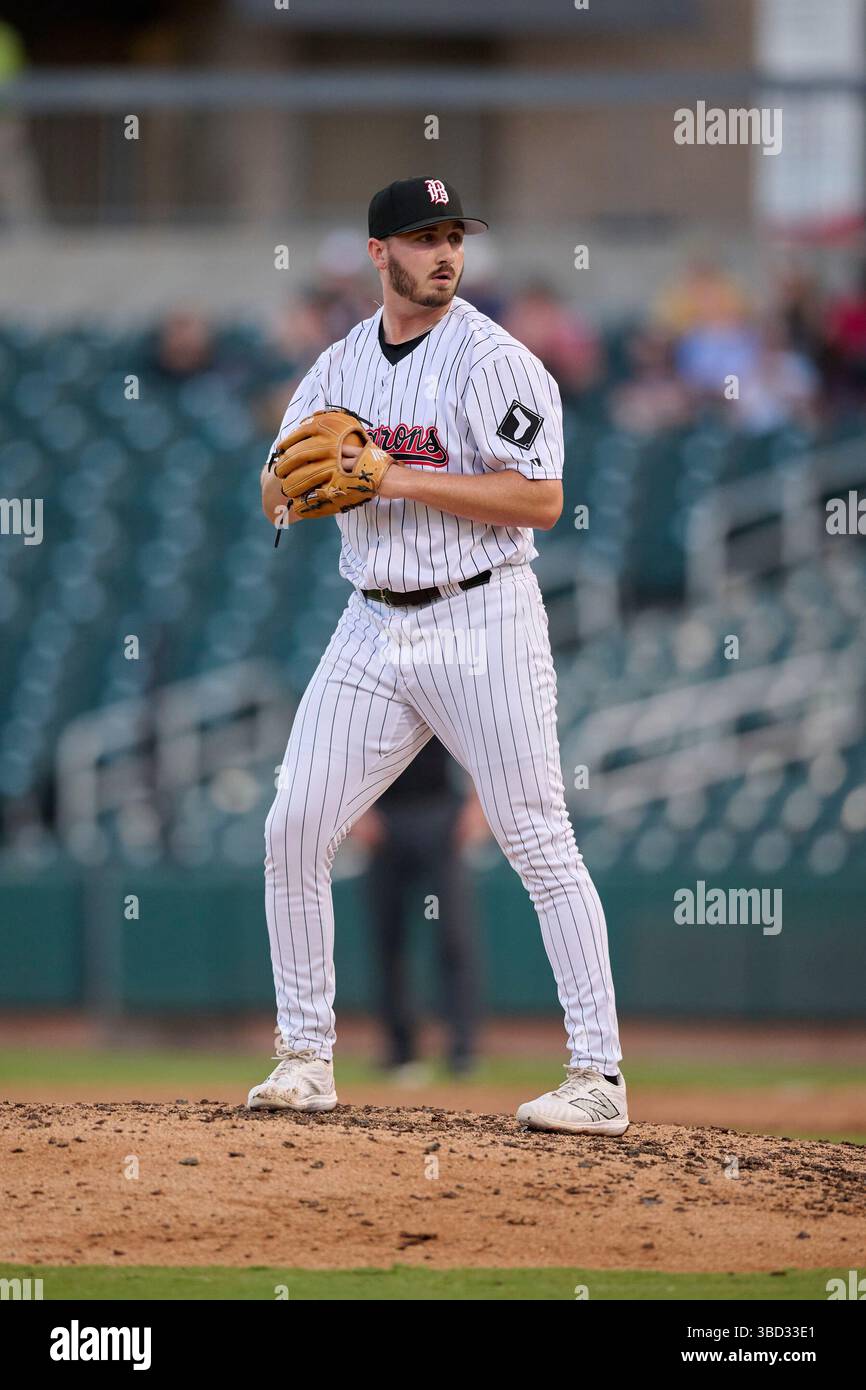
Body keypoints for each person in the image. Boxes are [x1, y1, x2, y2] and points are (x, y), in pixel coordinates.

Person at [249, 176, 628, 1135]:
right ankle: (304, 1057)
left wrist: (397, 475)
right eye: (422, 238)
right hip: (372, 622)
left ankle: (598, 1076)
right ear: (379, 255)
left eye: (454, 235)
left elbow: (539, 500)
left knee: (539, 838)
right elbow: (274, 480)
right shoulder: (340, 362)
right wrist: (291, 482)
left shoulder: (495, 361)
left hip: (483, 616)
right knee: (294, 823)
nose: (444, 253)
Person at [352, 736, 489, 1078]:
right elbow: (349, 743)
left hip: (440, 811)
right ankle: (400, 1052)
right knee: (388, 938)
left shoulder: (442, 683)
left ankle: (462, 1050)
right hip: (385, 814)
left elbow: (475, 735)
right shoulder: (373, 686)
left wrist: (476, 803)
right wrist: (357, 811)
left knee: (453, 936)